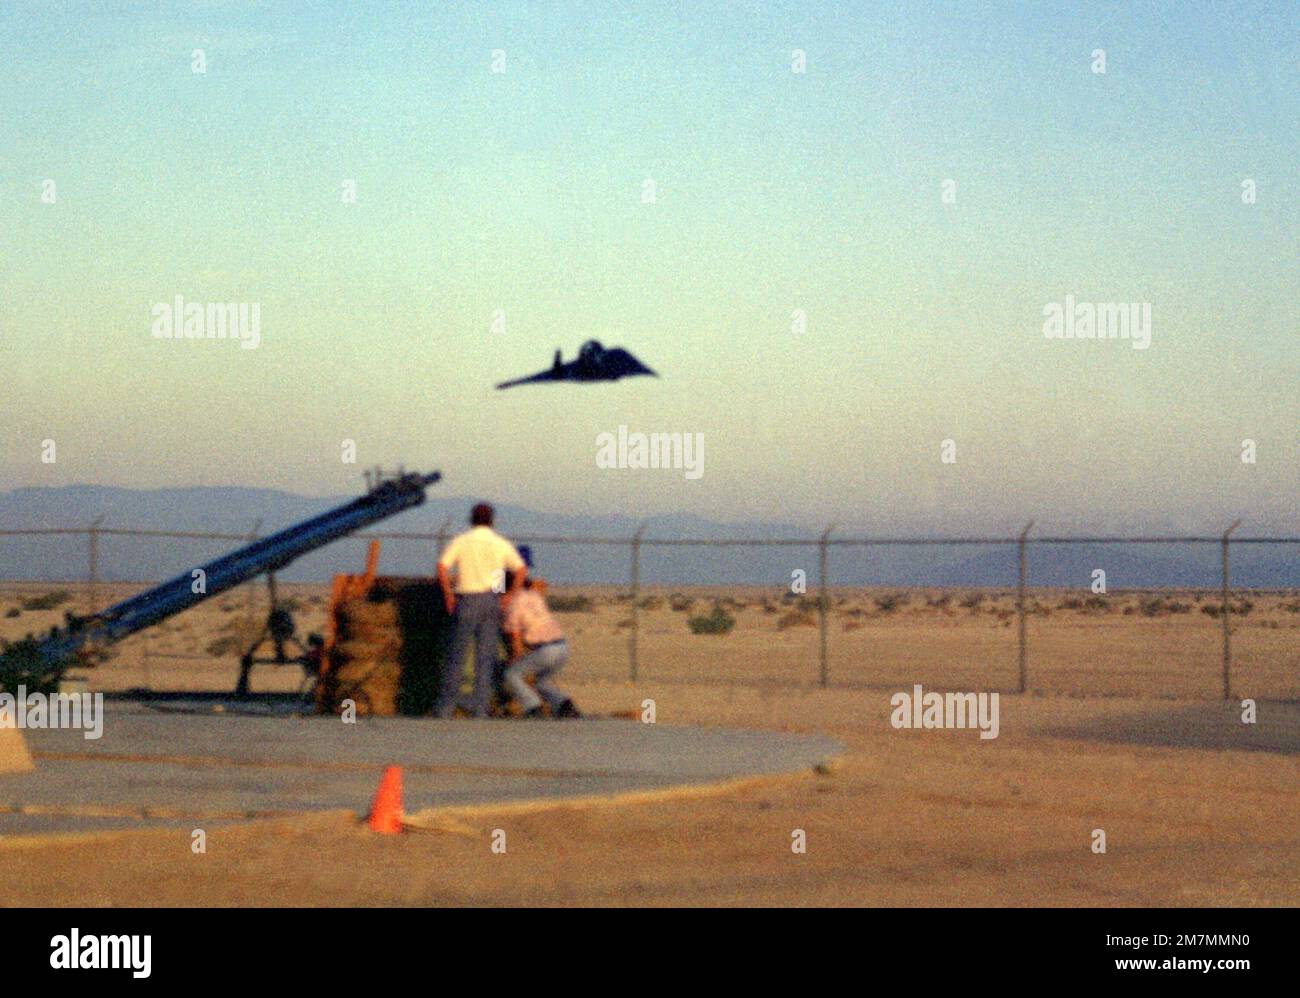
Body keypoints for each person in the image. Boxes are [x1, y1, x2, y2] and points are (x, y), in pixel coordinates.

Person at [434, 503, 525, 718]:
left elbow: (442, 566)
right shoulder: (500, 543)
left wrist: (448, 594)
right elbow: (520, 569)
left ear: (471, 519)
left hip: (466, 600)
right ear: (492, 520)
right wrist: (508, 595)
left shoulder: (462, 540)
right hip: (492, 599)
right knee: (486, 658)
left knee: (457, 654)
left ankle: (446, 707)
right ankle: (481, 708)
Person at [502, 575, 580, 718]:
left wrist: (514, 659)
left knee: (512, 675)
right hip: (563, 646)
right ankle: (564, 704)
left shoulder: (512, 606)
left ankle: (533, 707)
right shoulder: (534, 596)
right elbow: (539, 585)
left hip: (545, 649)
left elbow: (515, 640)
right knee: (541, 681)